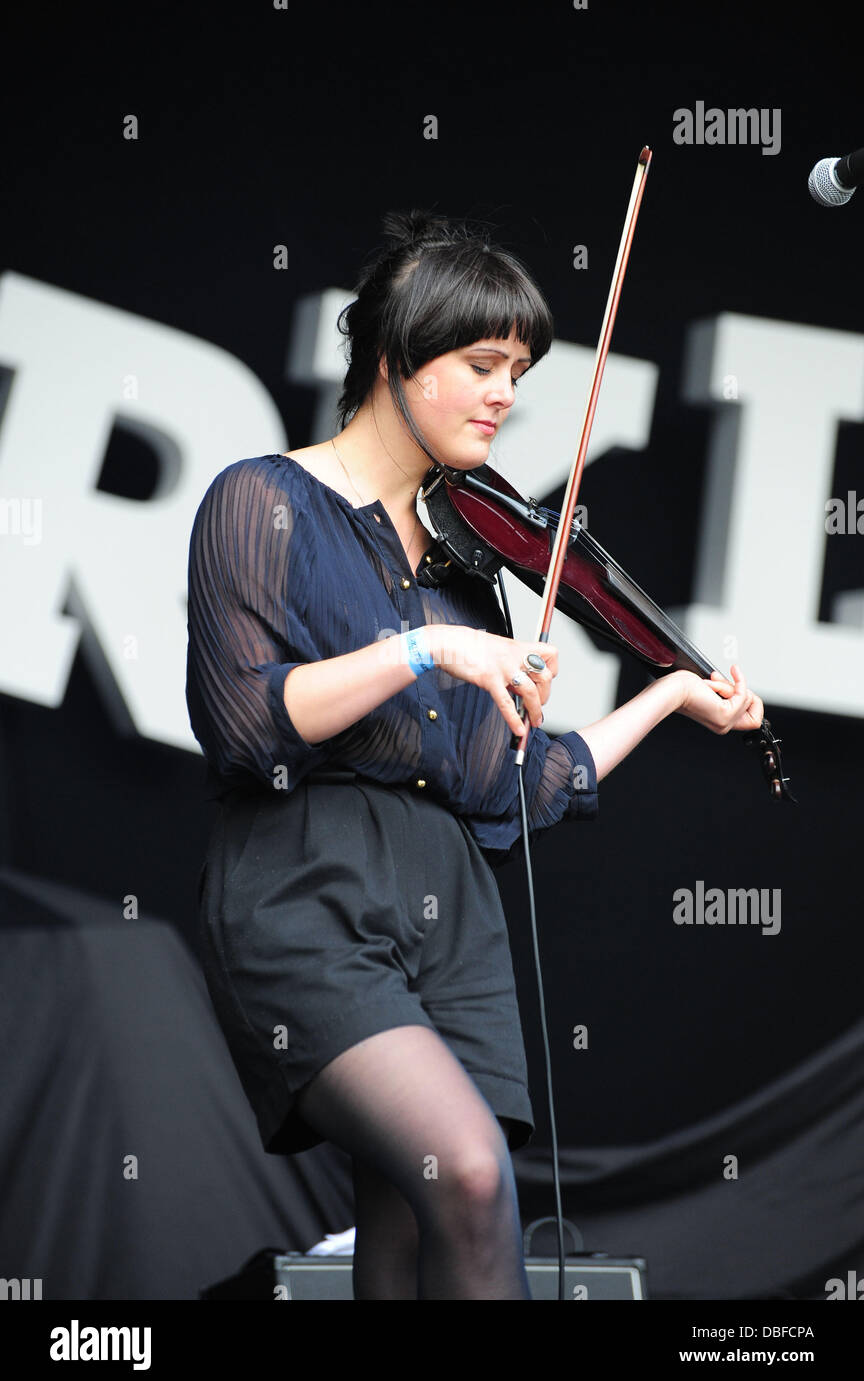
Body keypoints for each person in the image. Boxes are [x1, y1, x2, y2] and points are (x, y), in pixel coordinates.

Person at [185, 209, 764, 1300]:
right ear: (398, 358)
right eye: (481, 363)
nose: (506, 393)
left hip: (448, 911)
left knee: (409, 1224)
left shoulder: (467, 562)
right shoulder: (261, 502)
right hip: (309, 894)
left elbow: (521, 781)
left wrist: (669, 695)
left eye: (520, 371)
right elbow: (246, 722)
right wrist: (419, 647)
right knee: (470, 1176)